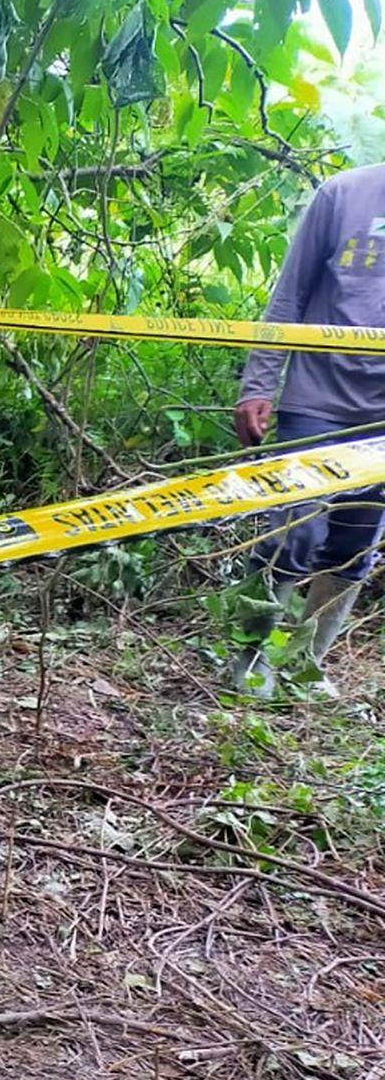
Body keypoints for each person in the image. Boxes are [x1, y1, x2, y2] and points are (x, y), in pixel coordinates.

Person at [228, 161, 385, 699]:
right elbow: (290, 294)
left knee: (355, 543)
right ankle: (250, 656)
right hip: (317, 396)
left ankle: (304, 664)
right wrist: (259, 384)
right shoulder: (343, 194)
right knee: (293, 531)